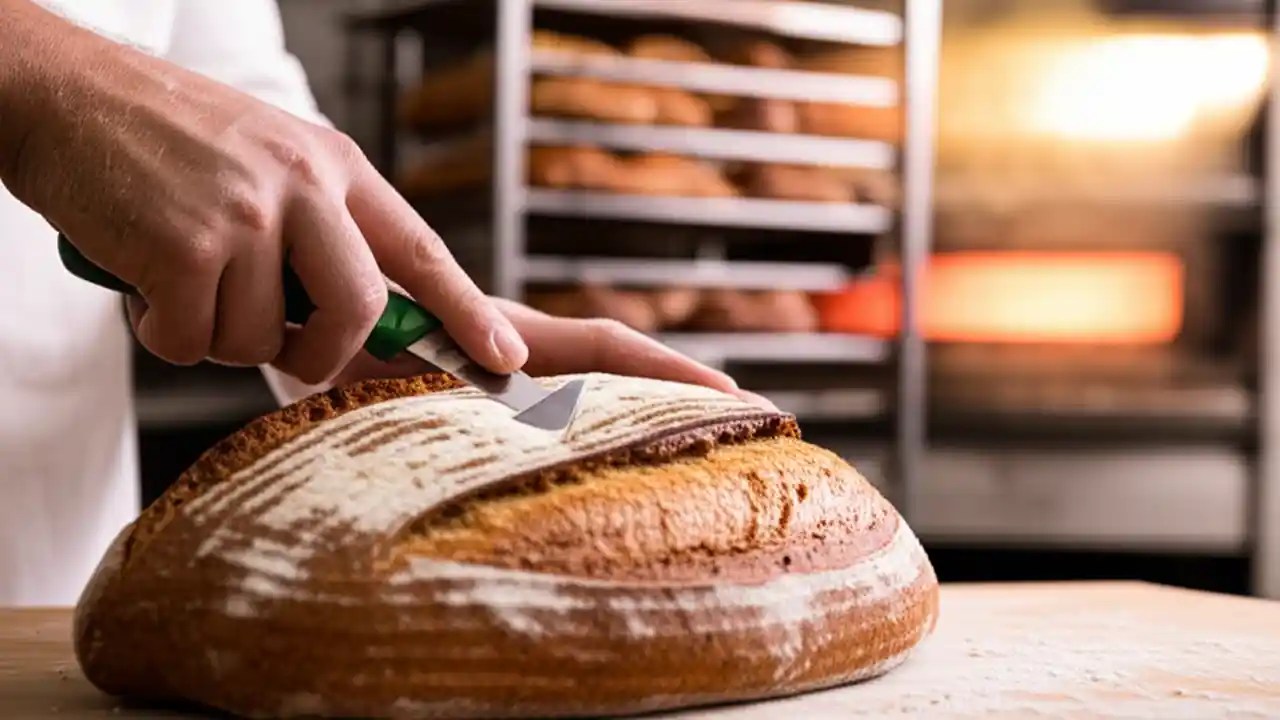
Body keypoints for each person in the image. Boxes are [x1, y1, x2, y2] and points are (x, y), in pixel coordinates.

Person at [0, 0, 763, 607]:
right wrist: (39, 81)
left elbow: (229, 90)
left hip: (41, 568)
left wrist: (367, 305)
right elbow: (116, 92)